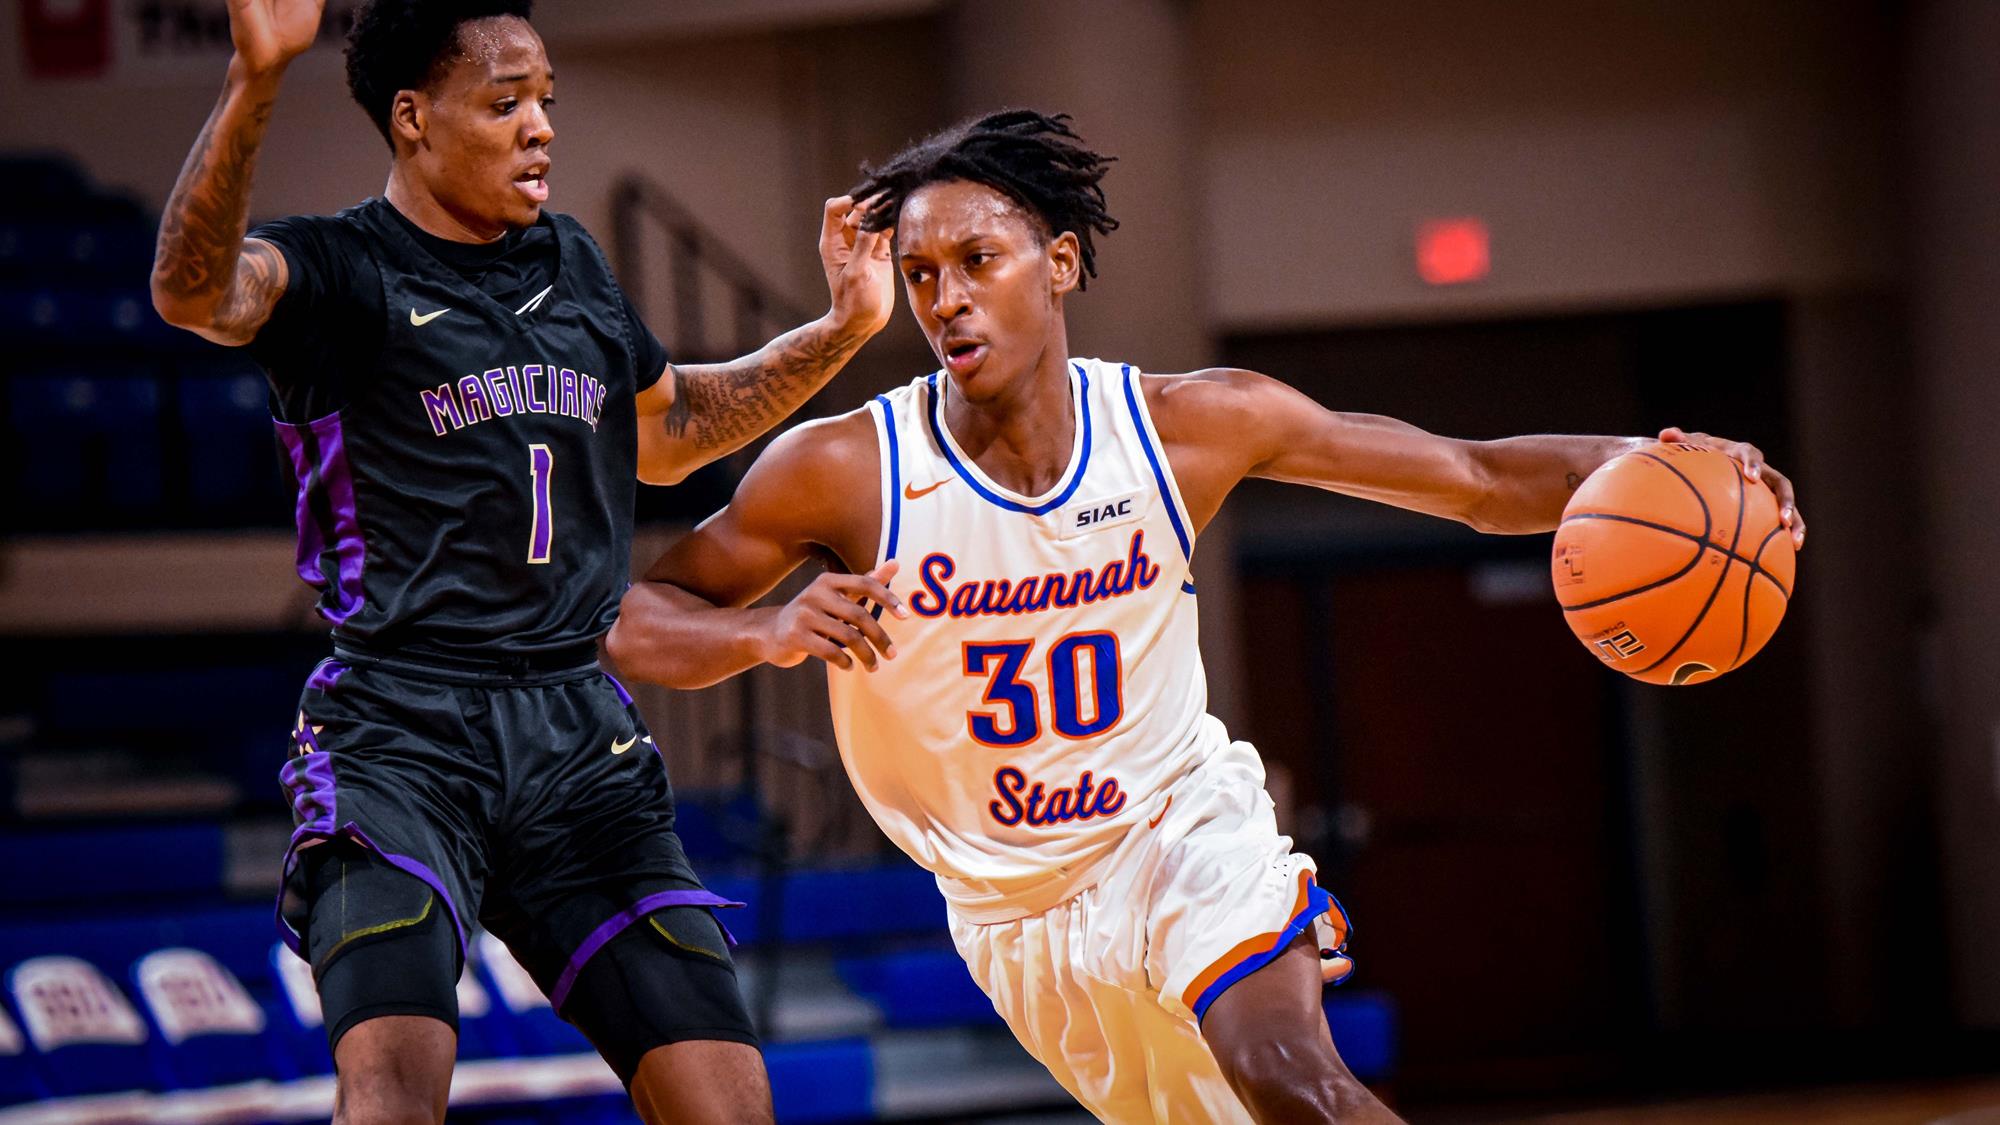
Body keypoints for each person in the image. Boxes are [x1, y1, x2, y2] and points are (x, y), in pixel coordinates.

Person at [604, 110, 1806, 1123]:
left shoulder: (1187, 426)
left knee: (1294, 1077)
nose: (948, 301)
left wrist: (1662, 467)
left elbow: (1474, 476)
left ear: (1059, 264)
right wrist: (764, 633)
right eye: (921, 276)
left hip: (1180, 830)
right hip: (1013, 911)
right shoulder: (844, 471)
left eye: (978, 260)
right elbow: (633, 618)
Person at [148, 1, 894, 1121]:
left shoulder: (575, 263)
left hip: (575, 736)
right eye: (505, 104)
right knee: (392, 1088)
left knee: (729, 1101)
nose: (541, 126)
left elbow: (671, 430)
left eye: (545, 99)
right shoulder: (340, 270)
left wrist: (838, 332)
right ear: (413, 118)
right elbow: (191, 292)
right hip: (399, 732)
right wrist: (255, 78)